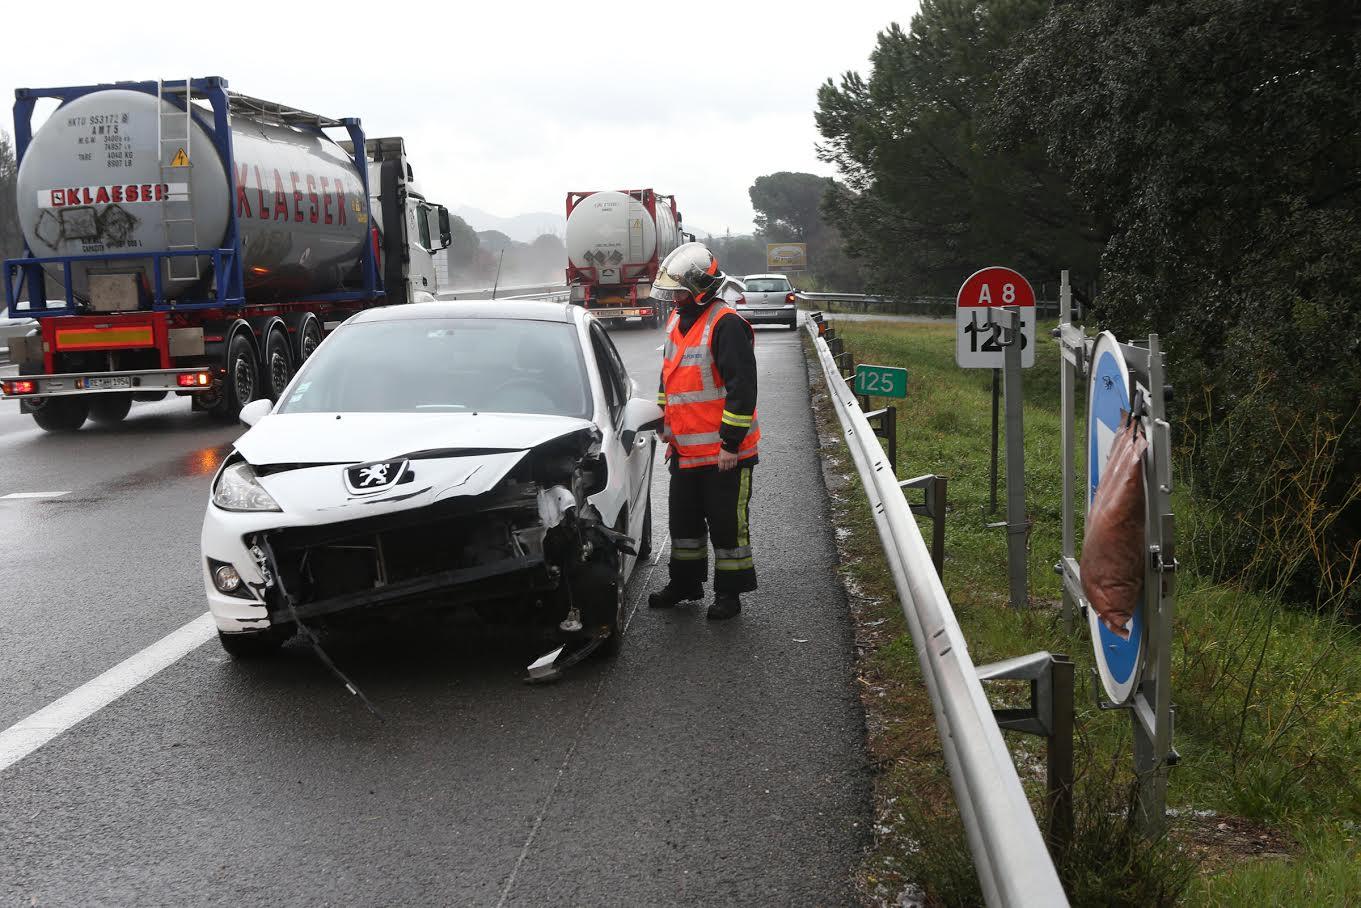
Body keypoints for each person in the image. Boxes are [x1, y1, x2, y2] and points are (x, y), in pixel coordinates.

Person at [646, 243, 759, 620]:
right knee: (684, 525)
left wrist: (731, 443)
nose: (674, 298)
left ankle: (730, 593)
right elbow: (670, 378)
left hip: (725, 453)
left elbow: (741, 389)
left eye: (679, 290)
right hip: (685, 450)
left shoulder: (725, 323)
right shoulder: (677, 322)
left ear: (700, 288)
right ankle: (685, 584)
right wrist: (664, 421)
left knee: (727, 526)